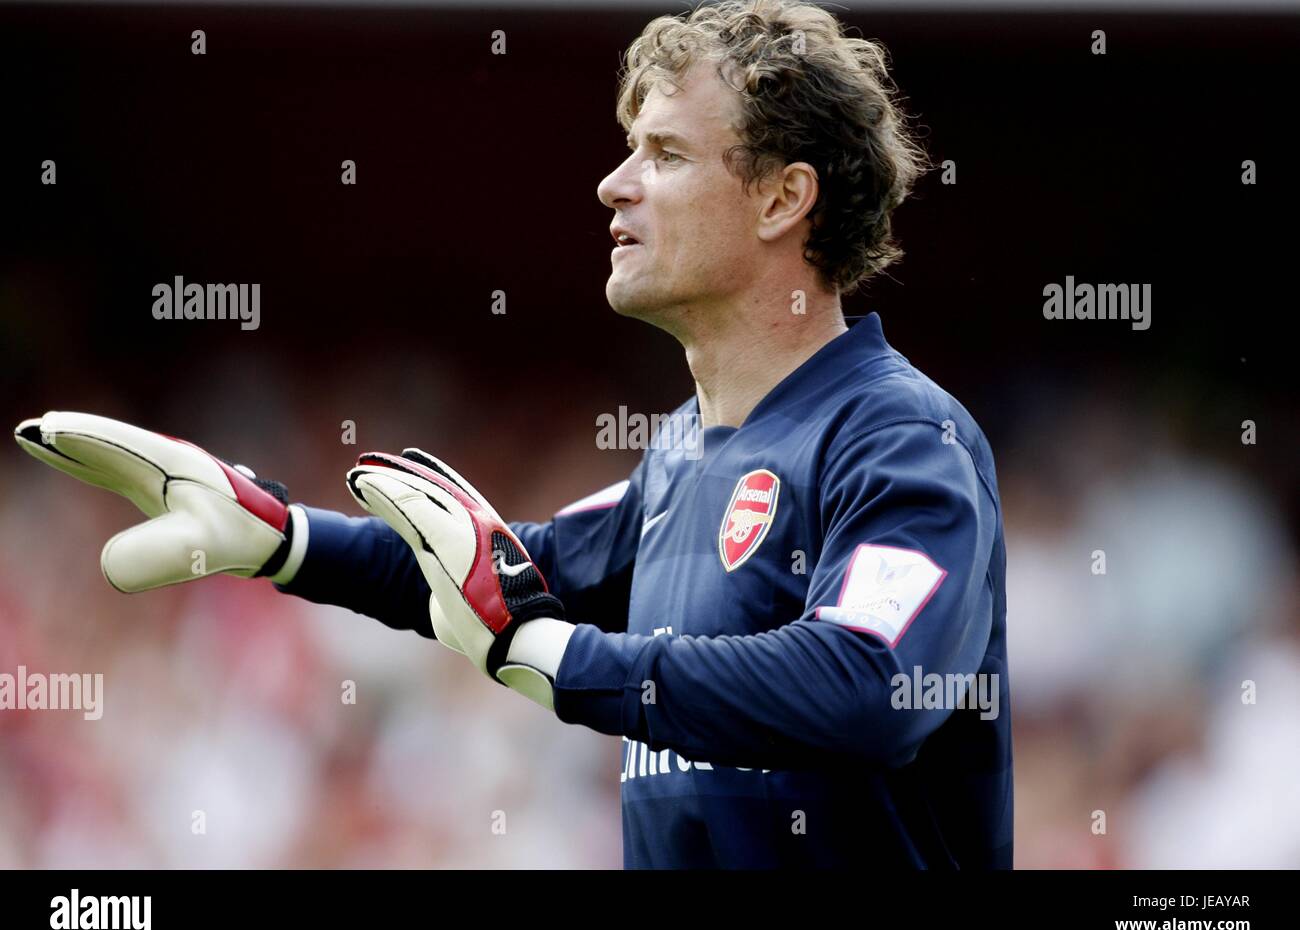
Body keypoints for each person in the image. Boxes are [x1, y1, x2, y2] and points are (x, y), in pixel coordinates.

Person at [15, 0, 1011, 868]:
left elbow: (871, 684)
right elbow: (499, 569)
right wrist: (280, 535)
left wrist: (561, 659)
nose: (612, 186)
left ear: (783, 197)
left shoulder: (897, 434)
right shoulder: (681, 457)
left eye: (664, 155)